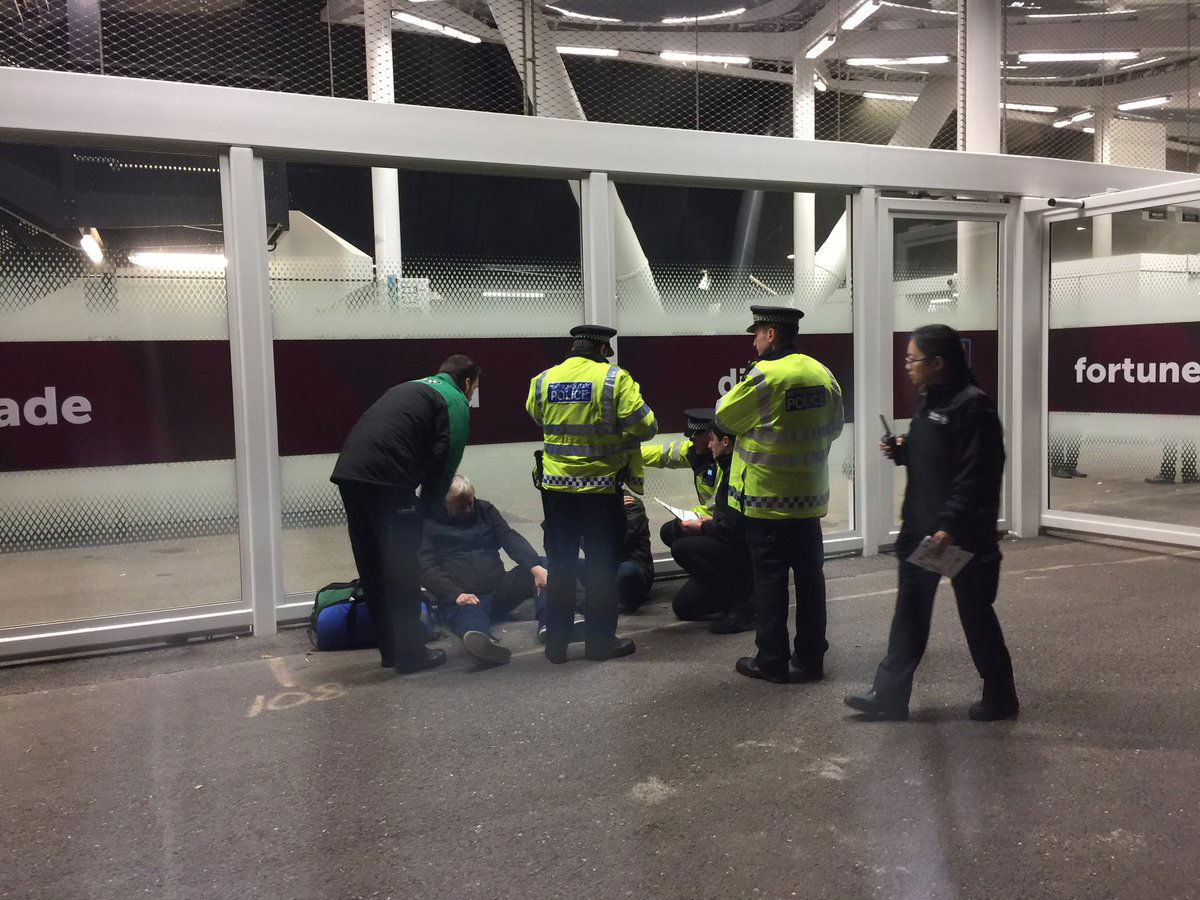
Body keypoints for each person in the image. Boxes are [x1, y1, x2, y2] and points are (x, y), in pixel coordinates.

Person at [845, 324, 1018, 722]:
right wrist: (904, 450)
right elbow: (939, 456)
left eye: (913, 358)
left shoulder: (972, 406)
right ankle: (889, 696)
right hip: (924, 531)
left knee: (975, 614)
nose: (907, 365)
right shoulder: (930, 399)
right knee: (910, 611)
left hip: (957, 537)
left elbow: (977, 474)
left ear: (938, 363)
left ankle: (1001, 697)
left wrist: (949, 526)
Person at [714, 305, 843, 685]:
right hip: (809, 503)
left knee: (769, 583)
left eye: (756, 333)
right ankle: (810, 660)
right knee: (810, 581)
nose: (753, 341)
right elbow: (834, 427)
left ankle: (771, 660)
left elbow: (724, 419)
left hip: (767, 504)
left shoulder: (764, 376)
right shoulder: (822, 373)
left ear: (771, 334)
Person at [331, 355, 479, 674]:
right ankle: (412, 654)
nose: (471, 394)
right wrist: (428, 509)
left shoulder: (411, 387)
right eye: (474, 388)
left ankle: (391, 651)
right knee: (403, 567)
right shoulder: (453, 398)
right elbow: (446, 456)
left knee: (373, 565)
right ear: (467, 383)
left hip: (350, 473)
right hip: (388, 480)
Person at [526, 323, 658, 663]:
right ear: (602, 350)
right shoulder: (614, 379)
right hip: (599, 489)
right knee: (601, 567)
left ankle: (556, 645)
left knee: (561, 564)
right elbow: (646, 425)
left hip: (556, 490)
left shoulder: (544, 379)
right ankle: (600, 643)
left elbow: (534, 412)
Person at [419, 475, 548, 666]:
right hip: (464, 596)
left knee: (542, 566)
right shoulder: (427, 523)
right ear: (444, 504)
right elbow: (426, 567)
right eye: (460, 506)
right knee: (469, 615)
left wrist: (533, 566)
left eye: (470, 503)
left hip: (499, 588)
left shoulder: (484, 509)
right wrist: (455, 593)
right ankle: (483, 644)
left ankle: (549, 623)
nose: (469, 509)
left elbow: (509, 537)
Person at [670, 424, 753, 634]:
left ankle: (742, 603)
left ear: (725, 442)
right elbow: (727, 514)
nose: (708, 445)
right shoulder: (725, 465)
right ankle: (721, 589)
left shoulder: (736, 468)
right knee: (683, 607)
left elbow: (734, 528)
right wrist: (709, 519)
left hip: (742, 550)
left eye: (712, 439)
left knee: (681, 547)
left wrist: (703, 526)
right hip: (729, 538)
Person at [642, 407, 719, 547]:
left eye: (695, 436)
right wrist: (631, 456)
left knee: (674, 534)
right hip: (709, 518)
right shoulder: (696, 452)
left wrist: (687, 516)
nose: (691, 439)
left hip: (721, 522)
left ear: (710, 435)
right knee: (670, 531)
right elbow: (664, 454)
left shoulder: (725, 462)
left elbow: (716, 506)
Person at [617, 489, 655, 613]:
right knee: (559, 567)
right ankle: (594, 603)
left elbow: (617, 544)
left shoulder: (631, 503)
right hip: (602, 570)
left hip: (633, 567)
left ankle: (596, 600)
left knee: (627, 572)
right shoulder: (593, 506)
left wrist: (609, 511)